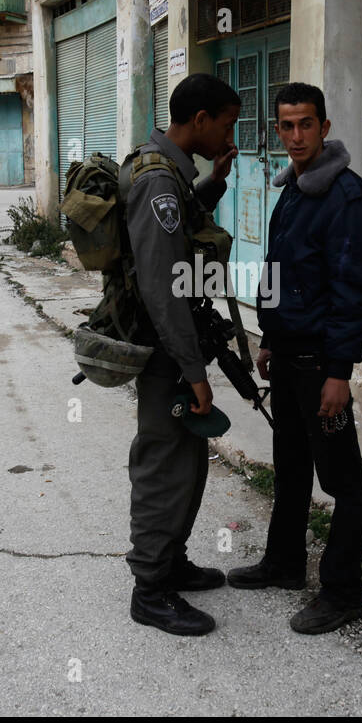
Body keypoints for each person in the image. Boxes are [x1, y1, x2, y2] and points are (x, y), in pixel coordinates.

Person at [227, 82, 362, 634]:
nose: (296, 136)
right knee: (291, 467)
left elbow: (354, 292)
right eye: (287, 126)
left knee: (345, 482)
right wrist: (269, 337)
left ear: (325, 127)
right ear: (277, 130)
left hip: (321, 364)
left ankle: (341, 592)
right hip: (288, 354)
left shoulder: (347, 198)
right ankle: (285, 563)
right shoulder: (293, 188)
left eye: (306, 124)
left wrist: (339, 371)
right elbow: (280, 272)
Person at [122, 73, 240, 636]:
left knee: (187, 461)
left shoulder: (172, 174)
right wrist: (194, 373)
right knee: (164, 467)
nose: (227, 134)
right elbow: (164, 284)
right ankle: (150, 588)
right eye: (226, 123)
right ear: (199, 121)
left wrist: (214, 185)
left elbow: (179, 235)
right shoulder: (158, 182)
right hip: (166, 352)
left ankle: (171, 562)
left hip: (176, 346)